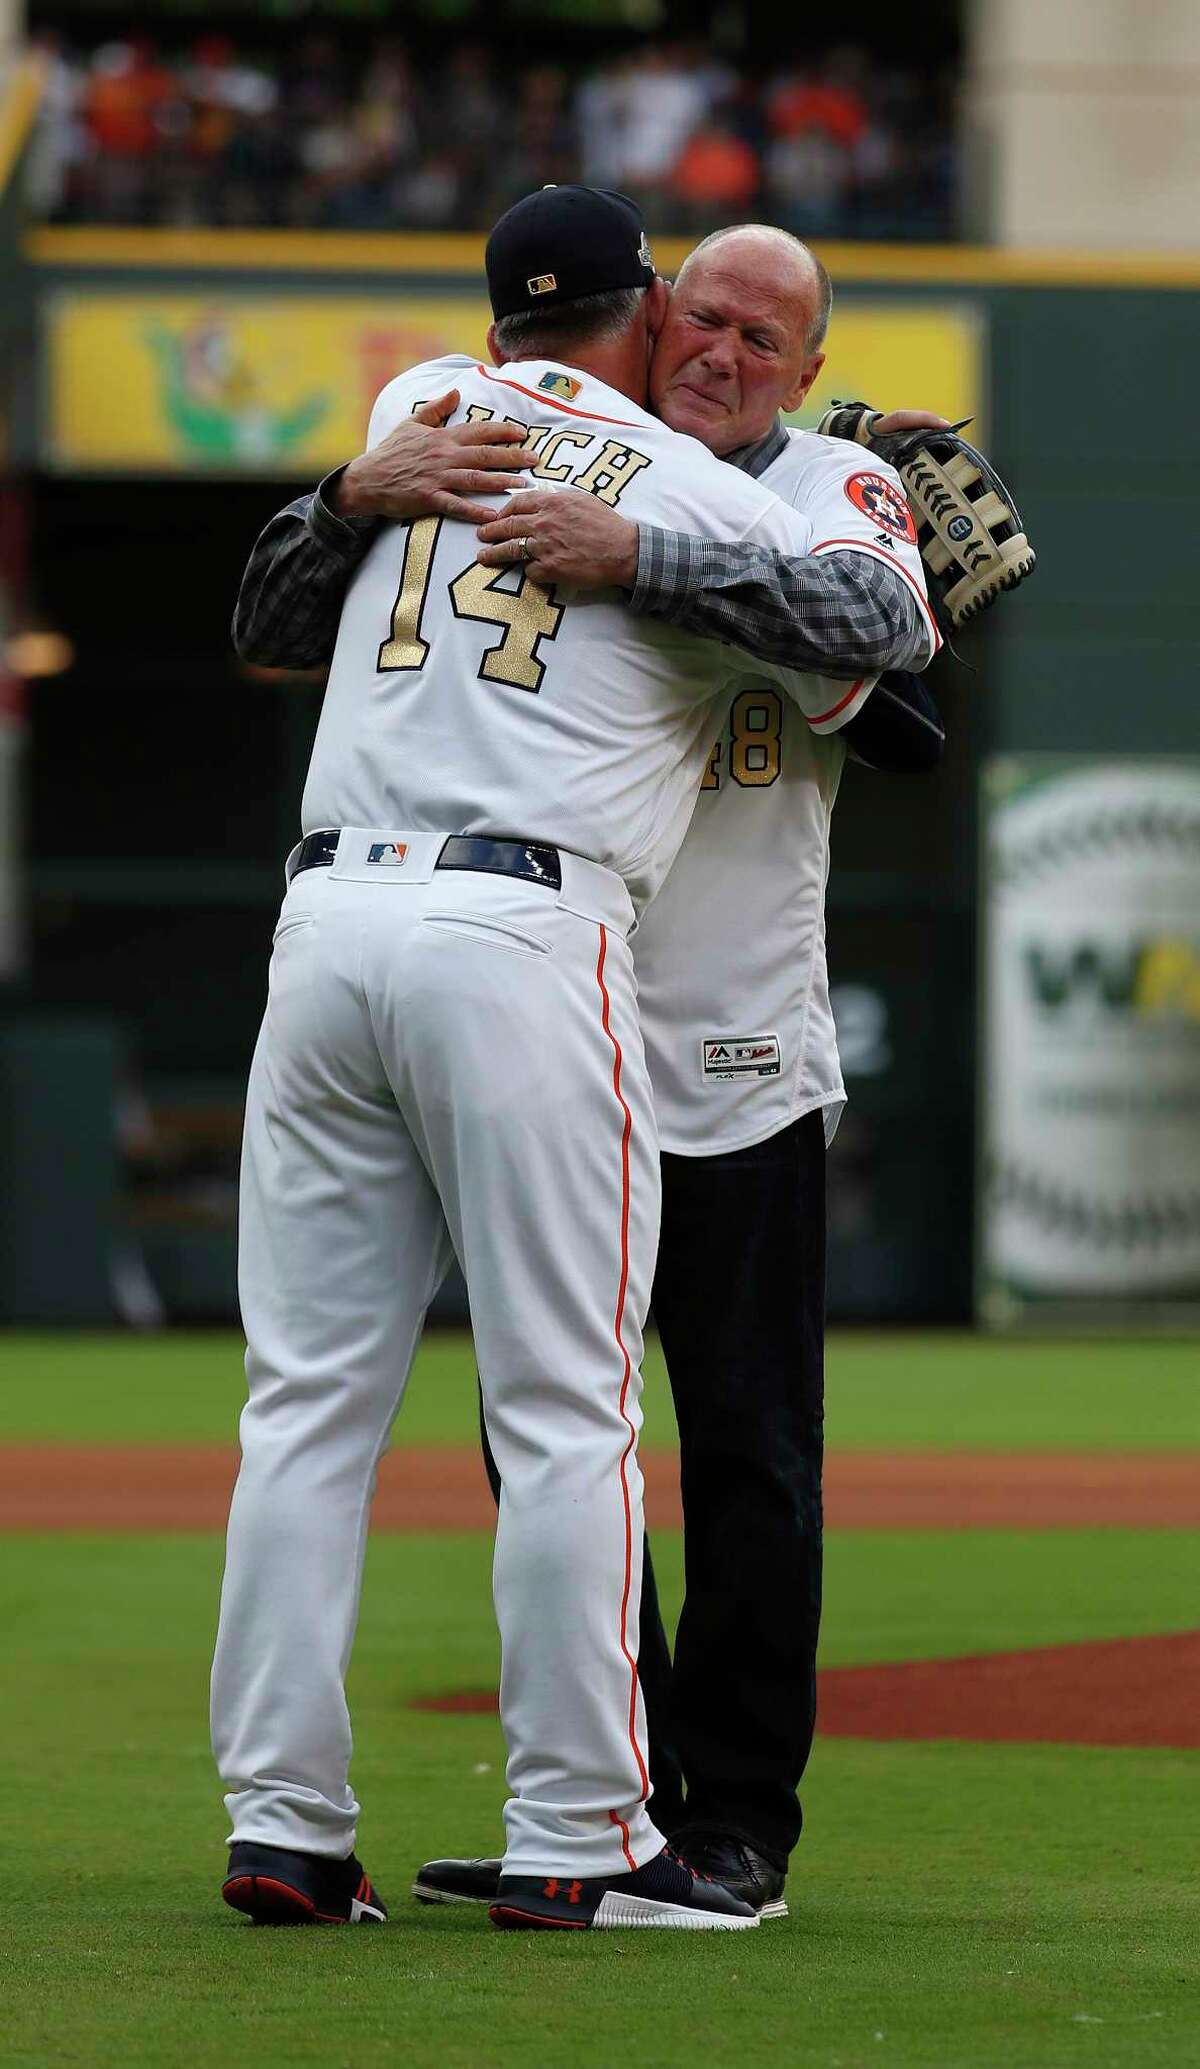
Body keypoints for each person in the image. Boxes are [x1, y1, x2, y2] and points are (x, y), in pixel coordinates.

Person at [231, 213, 944, 1922]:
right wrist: (625, 529)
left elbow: (886, 648)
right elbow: (889, 634)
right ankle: (583, 1824)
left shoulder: (433, 402)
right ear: (644, 319)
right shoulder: (665, 468)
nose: (717, 353)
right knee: (564, 1417)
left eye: (762, 339)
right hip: (538, 958)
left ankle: (317, 1818)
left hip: (584, 987)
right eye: (701, 317)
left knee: (366, 1409)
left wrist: (577, 536)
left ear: (812, 370)